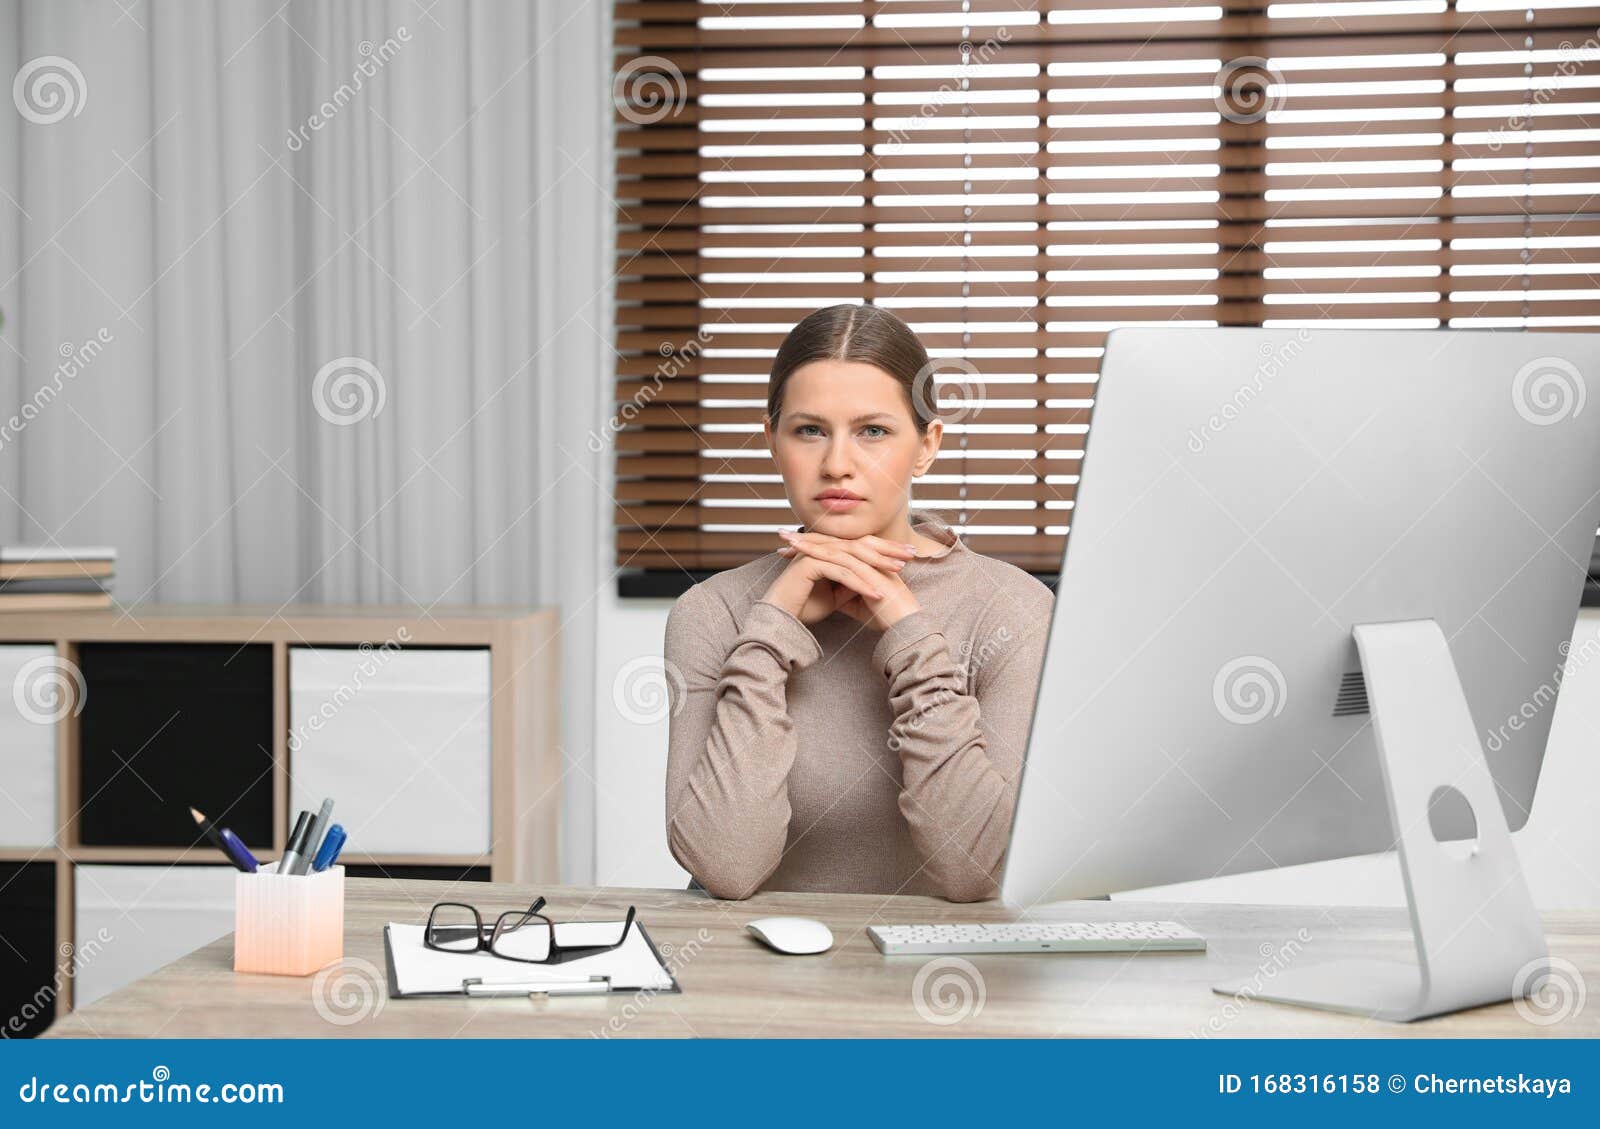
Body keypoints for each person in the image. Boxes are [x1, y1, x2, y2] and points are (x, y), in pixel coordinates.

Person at [663, 303, 1055, 901]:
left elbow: (976, 873)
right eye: (809, 431)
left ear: (926, 445)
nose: (837, 465)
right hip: (761, 957)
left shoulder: (1013, 611)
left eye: (873, 431)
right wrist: (769, 632)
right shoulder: (710, 613)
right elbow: (725, 867)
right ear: (772, 443)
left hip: (948, 957)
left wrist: (910, 635)